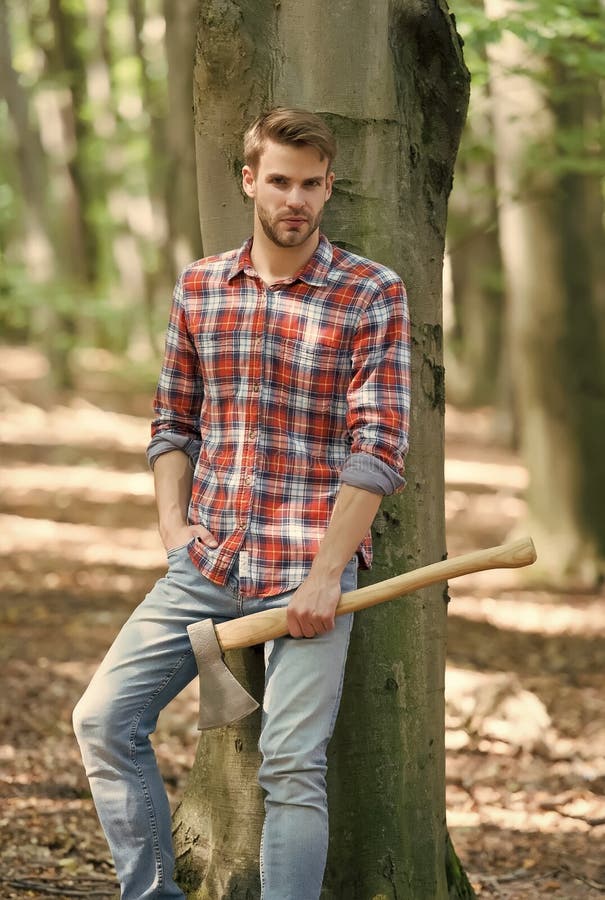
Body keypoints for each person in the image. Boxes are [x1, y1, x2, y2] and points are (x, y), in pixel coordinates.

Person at [73, 107, 410, 900]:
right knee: (102, 720)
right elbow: (171, 423)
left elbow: (379, 450)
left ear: (329, 189)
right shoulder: (200, 286)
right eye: (280, 181)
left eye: (312, 184)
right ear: (250, 181)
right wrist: (173, 533)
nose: (295, 199)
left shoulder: (370, 293)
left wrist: (329, 575)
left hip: (310, 569)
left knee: (292, 765)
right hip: (208, 560)